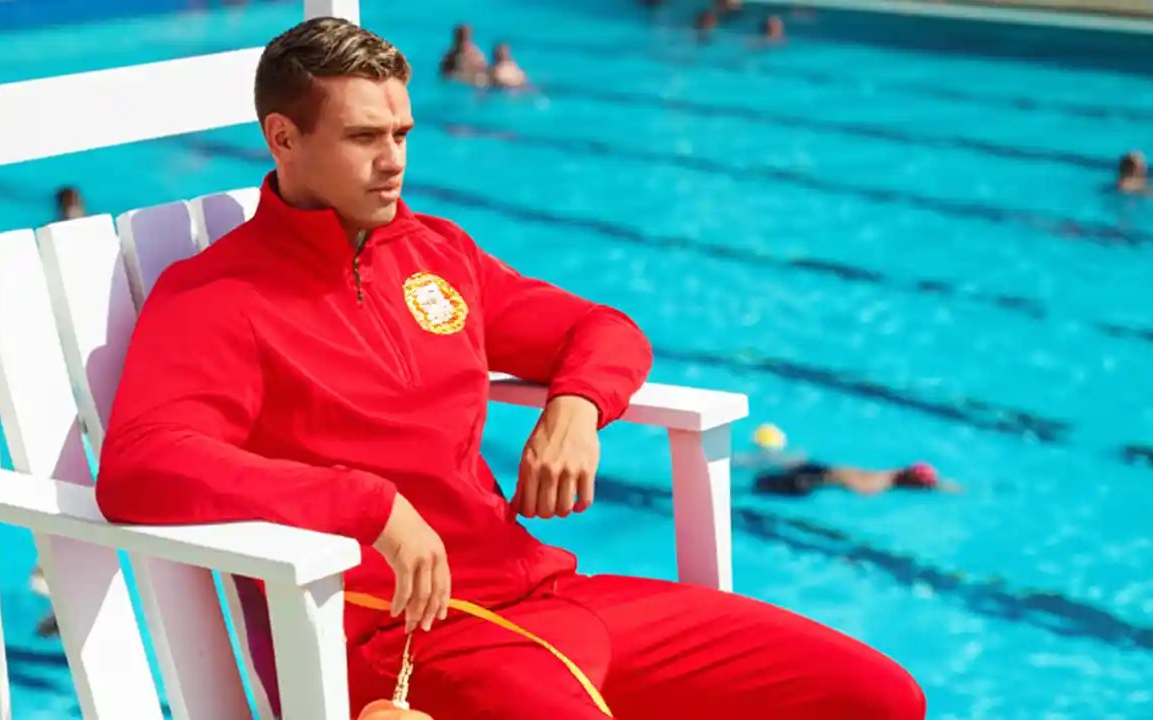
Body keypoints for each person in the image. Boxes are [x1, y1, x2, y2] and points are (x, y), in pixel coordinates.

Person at [95, 17, 925, 720]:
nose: (393, 162)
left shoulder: (434, 255)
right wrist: (365, 504)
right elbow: (141, 468)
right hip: (404, 634)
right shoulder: (215, 295)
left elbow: (602, 330)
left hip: (551, 595)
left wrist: (576, 409)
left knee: (879, 697)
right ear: (283, 137)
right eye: (363, 138)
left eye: (401, 134)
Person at [741, 424, 959, 496]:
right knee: (752, 485)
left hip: (819, 472)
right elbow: (857, 486)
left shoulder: (888, 474)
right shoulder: (879, 485)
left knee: (759, 475)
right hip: (810, 482)